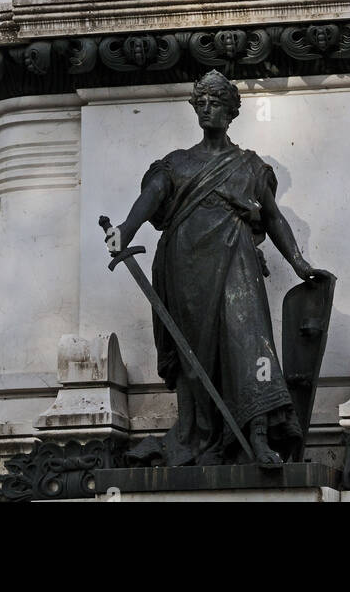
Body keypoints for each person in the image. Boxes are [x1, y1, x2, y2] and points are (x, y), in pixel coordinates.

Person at [105, 69, 325, 466]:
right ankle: (201, 433)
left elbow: (273, 218)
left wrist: (299, 262)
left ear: (231, 111)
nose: (207, 109)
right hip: (186, 265)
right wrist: (125, 228)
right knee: (196, 357)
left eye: (216, 102)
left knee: (251, 343)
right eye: (201, 102)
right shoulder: (176, 164)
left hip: (237, 259)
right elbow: (151, 199)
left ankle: (258, 436)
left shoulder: (248, 166)